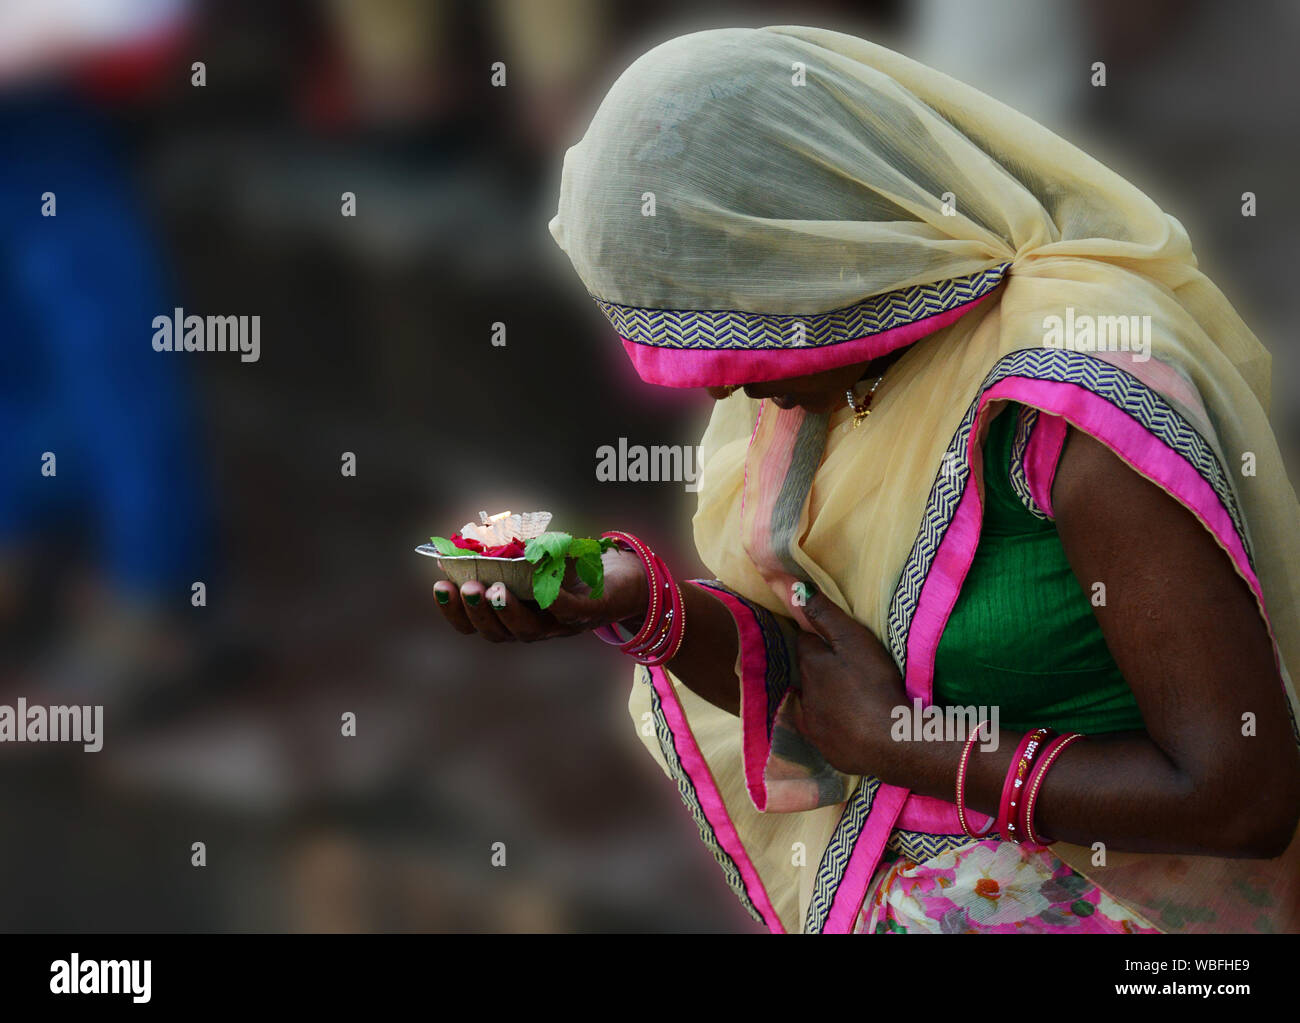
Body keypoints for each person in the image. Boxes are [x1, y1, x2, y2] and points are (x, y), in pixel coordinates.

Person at [431, 26, 1300, 933]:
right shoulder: (830, 374)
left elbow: (1240, 795)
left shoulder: (1069, 409)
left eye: (727, 336)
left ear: (811, 254)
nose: (723, 381)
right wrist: (632, 600)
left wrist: (909, 748)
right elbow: (834, 681)